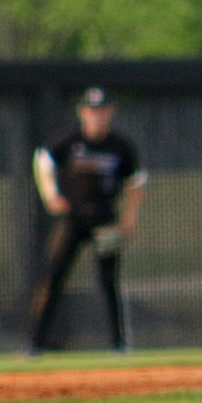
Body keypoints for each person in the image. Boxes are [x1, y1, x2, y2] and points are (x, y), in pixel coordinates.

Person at [28, 87, 145, 354]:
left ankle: (119, 345)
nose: (97, 116)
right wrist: (50, 194)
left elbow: (136, 183)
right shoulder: (70, 141)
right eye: (92, 110)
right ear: (83, 112)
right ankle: (36, 344)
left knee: (108, 282)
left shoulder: (120, 146)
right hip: (72, 219)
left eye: (102, 110)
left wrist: (129, 219)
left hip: (104, 220)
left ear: (110, 112)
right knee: (54, 278)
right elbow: (43, 160)